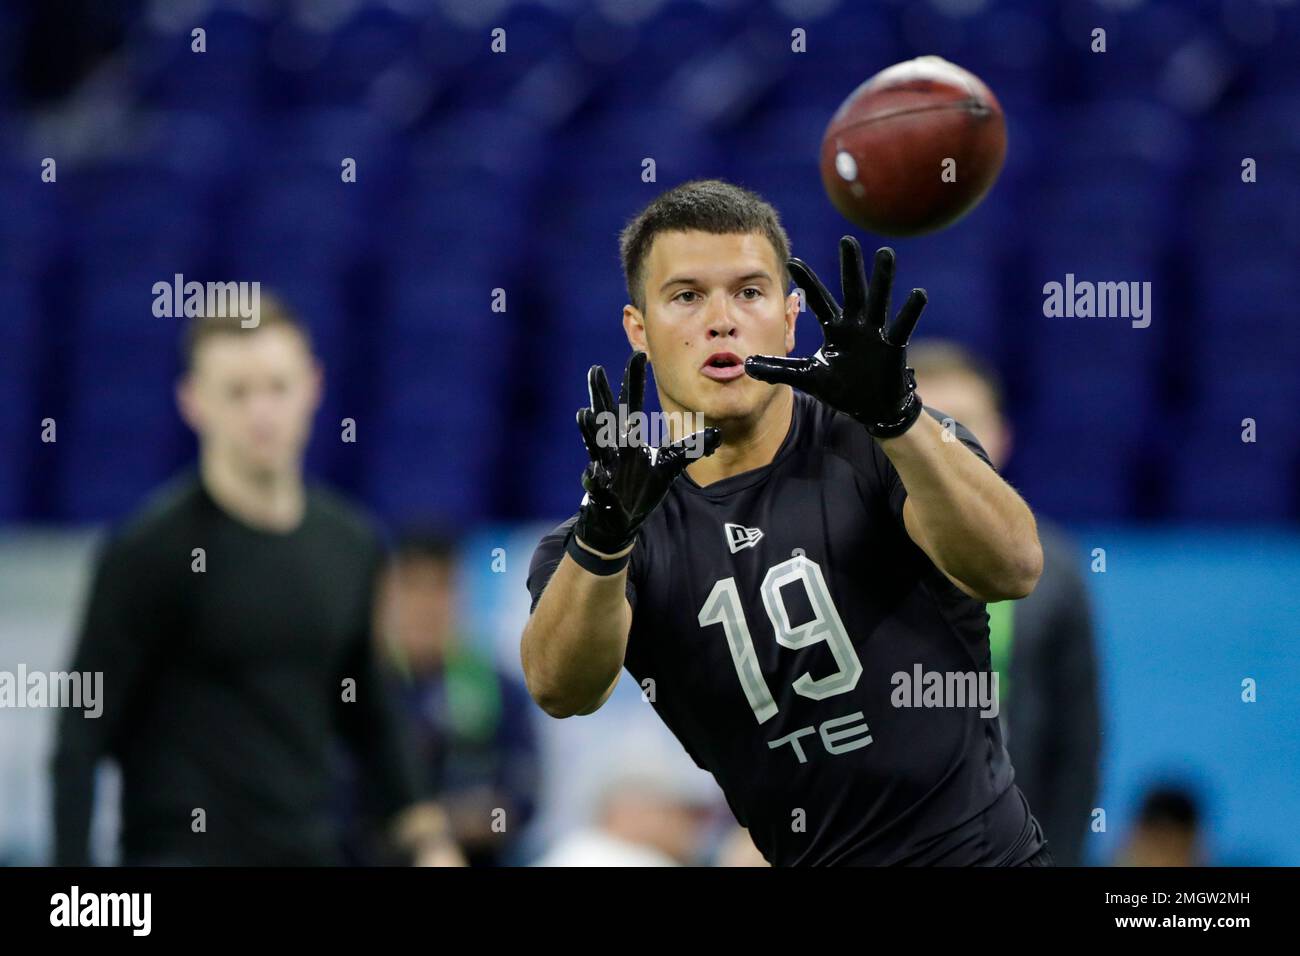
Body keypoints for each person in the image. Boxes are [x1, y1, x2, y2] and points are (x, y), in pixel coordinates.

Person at [521, 179, 1049, 866]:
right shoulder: (610, 534)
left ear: (791, 314)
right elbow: (562, 689)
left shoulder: (883, 445)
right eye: (686, 296)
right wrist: (603, 537)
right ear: (638, 330)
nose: (722, 319)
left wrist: (901, 420)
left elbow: (1013, 567)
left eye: (749, 291)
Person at [52, 297, 459, 866]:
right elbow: (80, 735)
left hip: (307, 854)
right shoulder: (147, 553)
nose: (261, 412)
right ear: (193, 401)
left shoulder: (351, 544)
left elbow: (371, 711)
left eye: (277, 386)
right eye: (237, 392)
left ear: (313, 386)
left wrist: (429, 841)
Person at [909, 340, 1102, 866]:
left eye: (964, 423)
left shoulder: (1055, 573)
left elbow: (1077, 746)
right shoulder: (848, 555)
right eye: (928, 424)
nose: (946, 443)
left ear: (1002, 436)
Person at [373, 529, 540, 866]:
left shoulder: (496, 688)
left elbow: (522, 800)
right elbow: (342, 802)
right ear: (388, 594)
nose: (426, 605)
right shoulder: (365, 689)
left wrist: (444, 824)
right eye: (413, 586)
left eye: (440, 588)